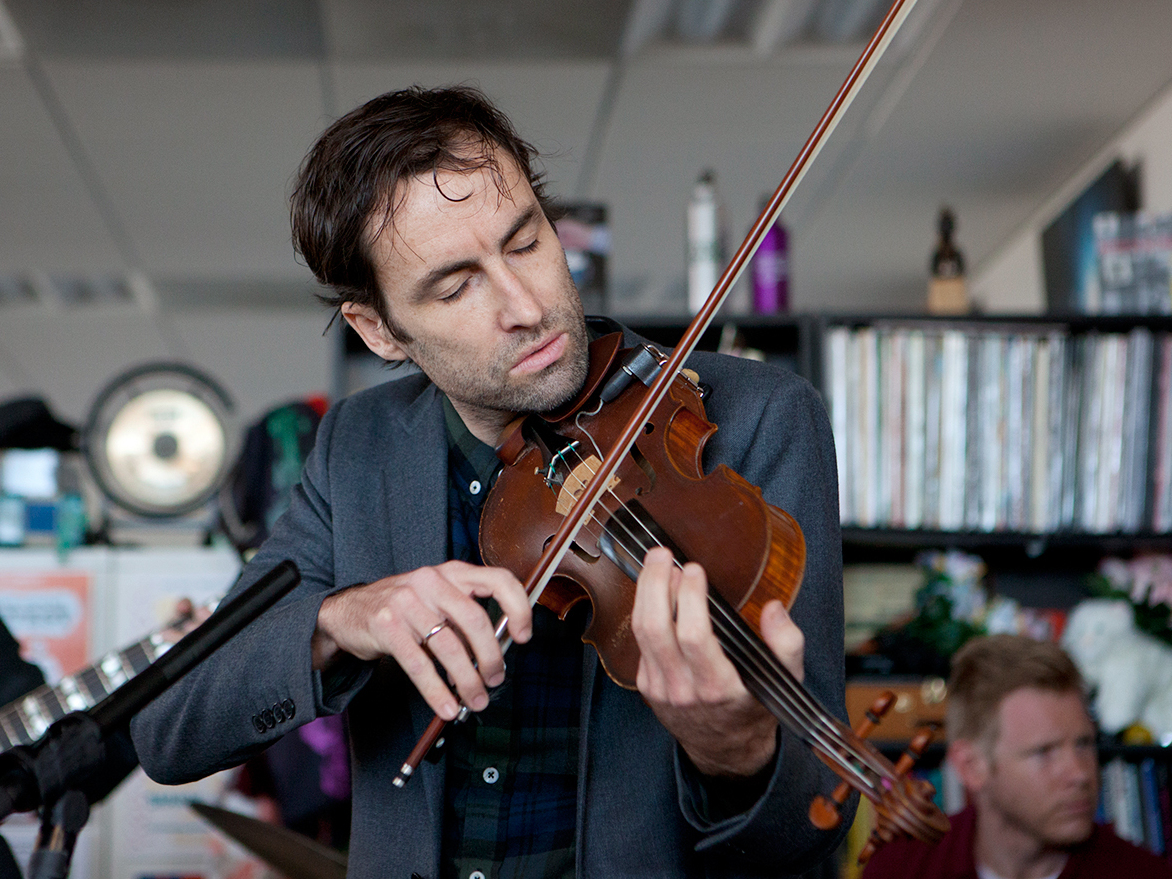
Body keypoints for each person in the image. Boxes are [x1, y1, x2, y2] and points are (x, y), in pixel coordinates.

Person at [130, 85, 851, 878]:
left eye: (525, 241)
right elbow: (169, 725)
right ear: (379, 330)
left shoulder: (752, 418)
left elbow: (810, 828)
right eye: (456, 284)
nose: (525, 304)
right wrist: (346, 617)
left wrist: (739, 751)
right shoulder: (359, 449)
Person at [860, 634, 1172, 879]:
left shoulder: (1145, 874)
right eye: (1044, 752)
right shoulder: (900, 870)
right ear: (971, 766)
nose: (1080, 774)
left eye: (1084, 744)